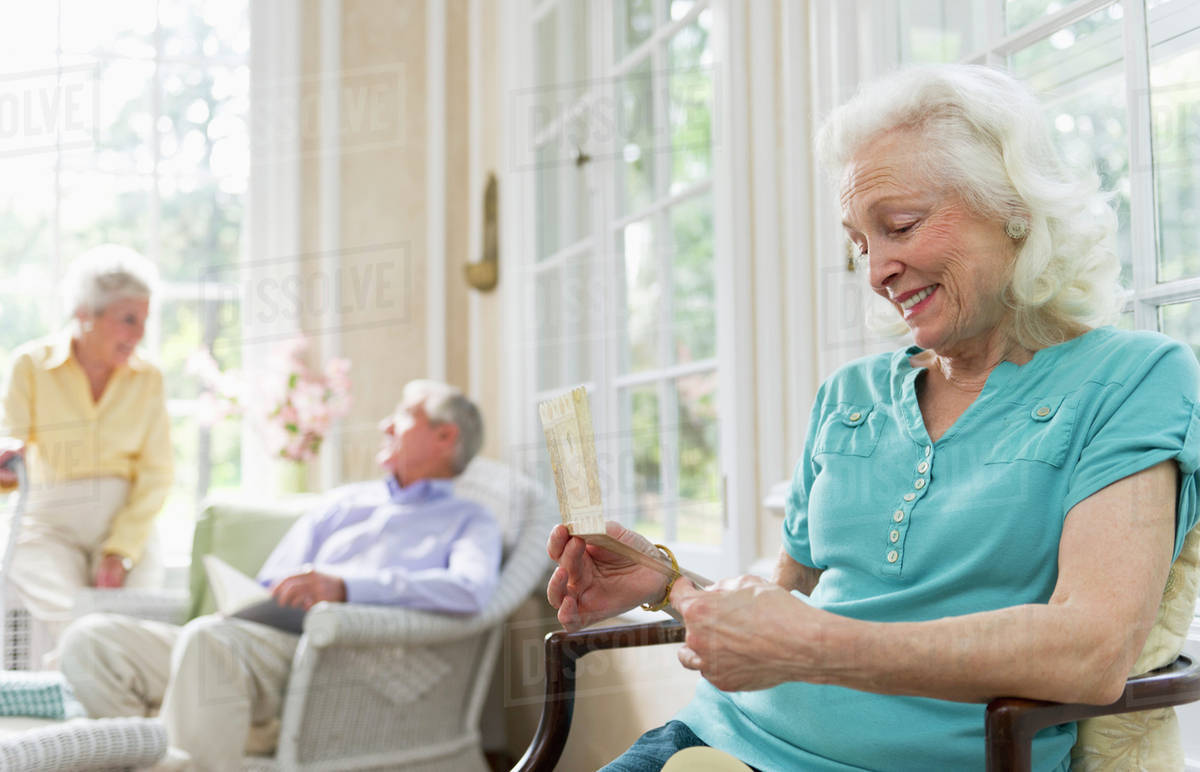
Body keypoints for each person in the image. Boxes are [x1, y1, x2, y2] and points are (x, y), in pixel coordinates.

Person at [547, 64, 1200, 771]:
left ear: (1013, 206)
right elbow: (782, 598)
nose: (876, 270)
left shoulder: (1134, 378)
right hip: (717, 735)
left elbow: (1091, 652)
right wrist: (664, 580)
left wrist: (808, 647)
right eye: (861, 243)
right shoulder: (850, 394)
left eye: (900, 226)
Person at [58, 379, 499, 771]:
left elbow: (470, 591)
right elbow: (274, 579)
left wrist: (344, 587)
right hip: (259, 642)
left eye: (403, 417)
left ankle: (204, 742)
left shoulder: (469, 520)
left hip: (339, 658)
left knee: (207, 642)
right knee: (91, 641)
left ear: (445, 436)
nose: (385, 425)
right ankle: (187, 746)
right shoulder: (342, 503)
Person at [0, 244, 172, 663]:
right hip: (49, 519)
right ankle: (83, 722)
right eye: (128, 319)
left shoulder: (148, 379)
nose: (138, 334)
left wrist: (121, 550)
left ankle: (124, 722)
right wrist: (6, 470)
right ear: (85, 314)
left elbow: (157, 473)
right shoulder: (30, 365)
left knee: (135, 629)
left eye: (144, 321)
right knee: (72, 629)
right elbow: (9, 451)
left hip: (125, 519)